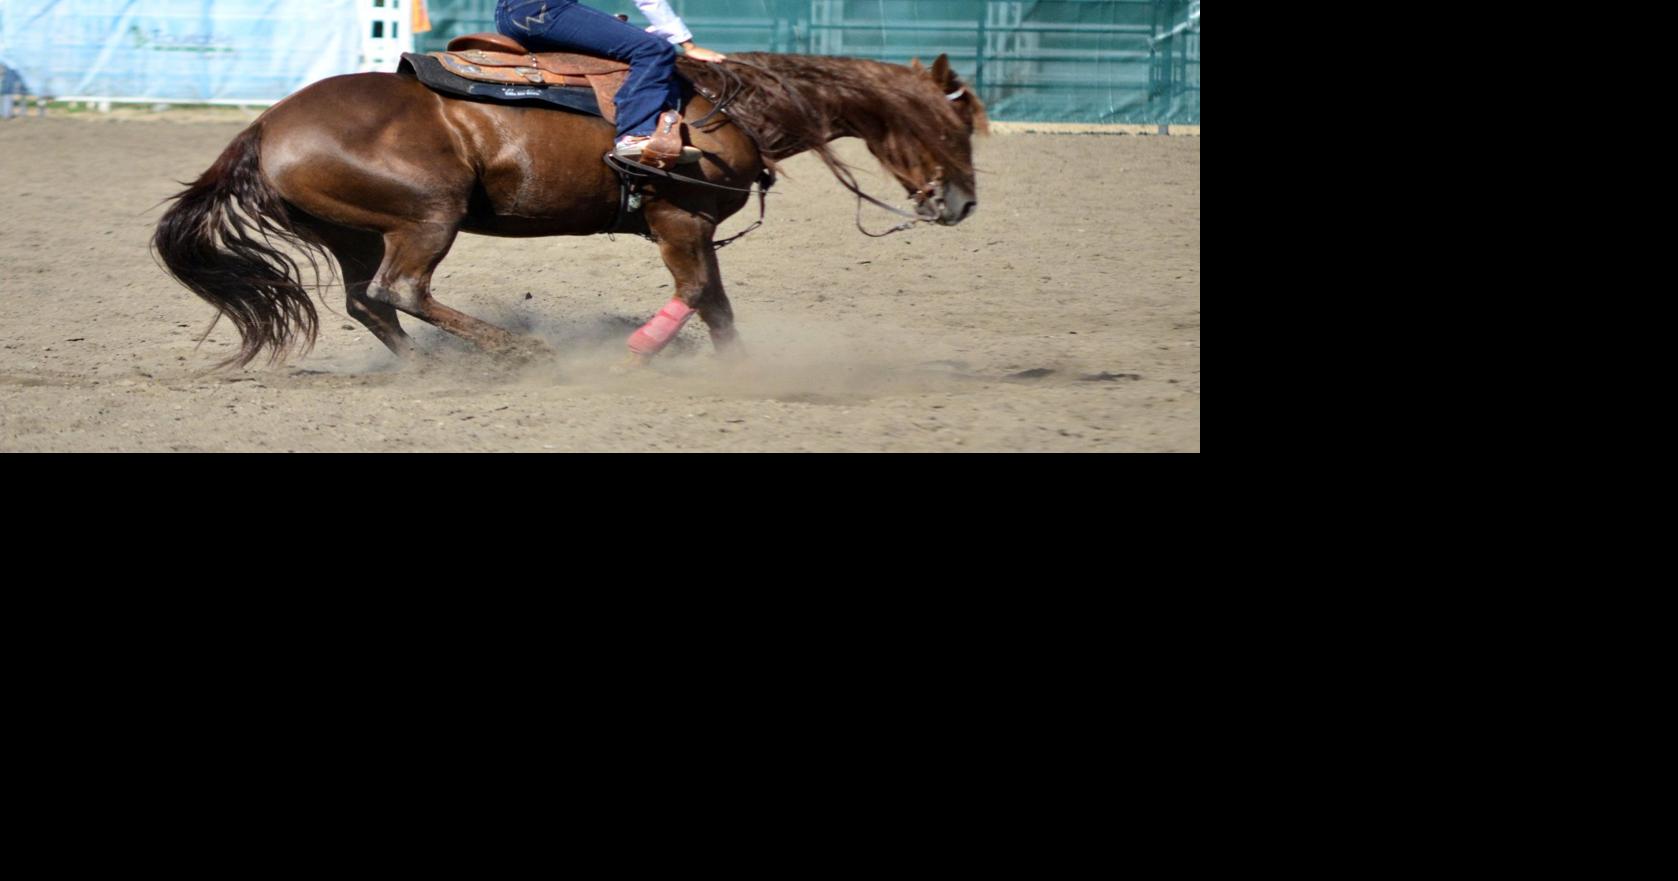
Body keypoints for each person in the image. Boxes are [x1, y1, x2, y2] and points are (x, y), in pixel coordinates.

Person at [494, 0, 727, 161]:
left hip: (507, 17)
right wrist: (688, 44)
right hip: (545, 11)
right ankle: (635, 133)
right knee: (655, 50)